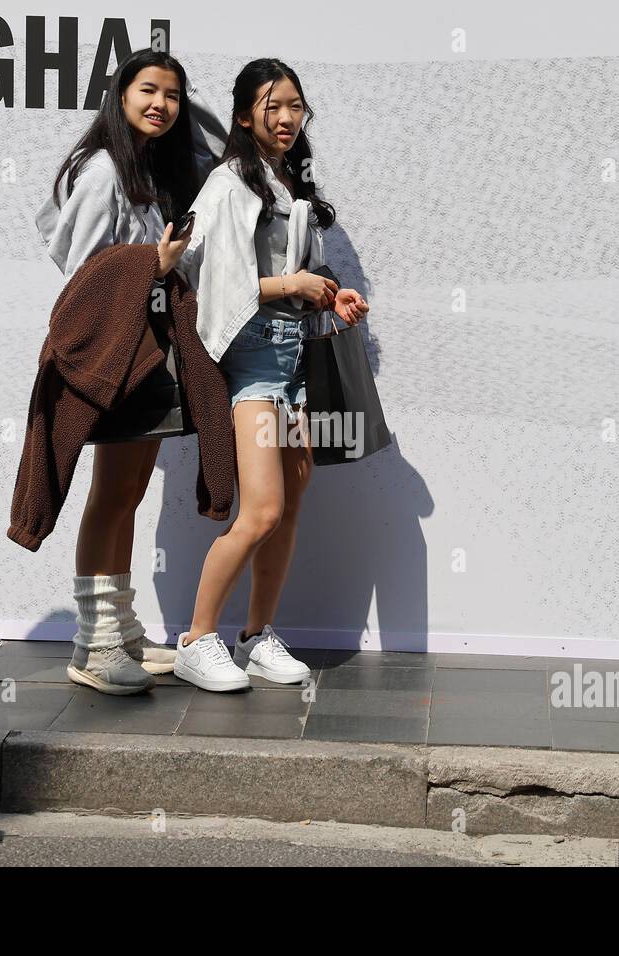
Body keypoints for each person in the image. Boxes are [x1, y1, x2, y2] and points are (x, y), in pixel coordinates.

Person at [174, 59, 369, 691]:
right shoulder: (231, 182)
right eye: (272, 106)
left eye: (295, 107)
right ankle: (197, 639)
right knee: (260, 512)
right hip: (256, 362)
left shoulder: (286, 184)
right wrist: (292, 284)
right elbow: (207, 280)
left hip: (295, 357)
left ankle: (257, 636)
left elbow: (293, 275)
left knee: (288, 507)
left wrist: (326, 296)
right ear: (242, 115)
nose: (286, 118)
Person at [34, 48, 215, 694]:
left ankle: (122, 629)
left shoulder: (148, 172)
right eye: (148, 90)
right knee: (111, 496)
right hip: (115, 356)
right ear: (121, 94)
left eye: (171, 94)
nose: (160, 104)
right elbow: (86, 278)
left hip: (149, 356)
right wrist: (154, 263)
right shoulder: (104, 170)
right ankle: (95, 644)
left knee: (128, 494)